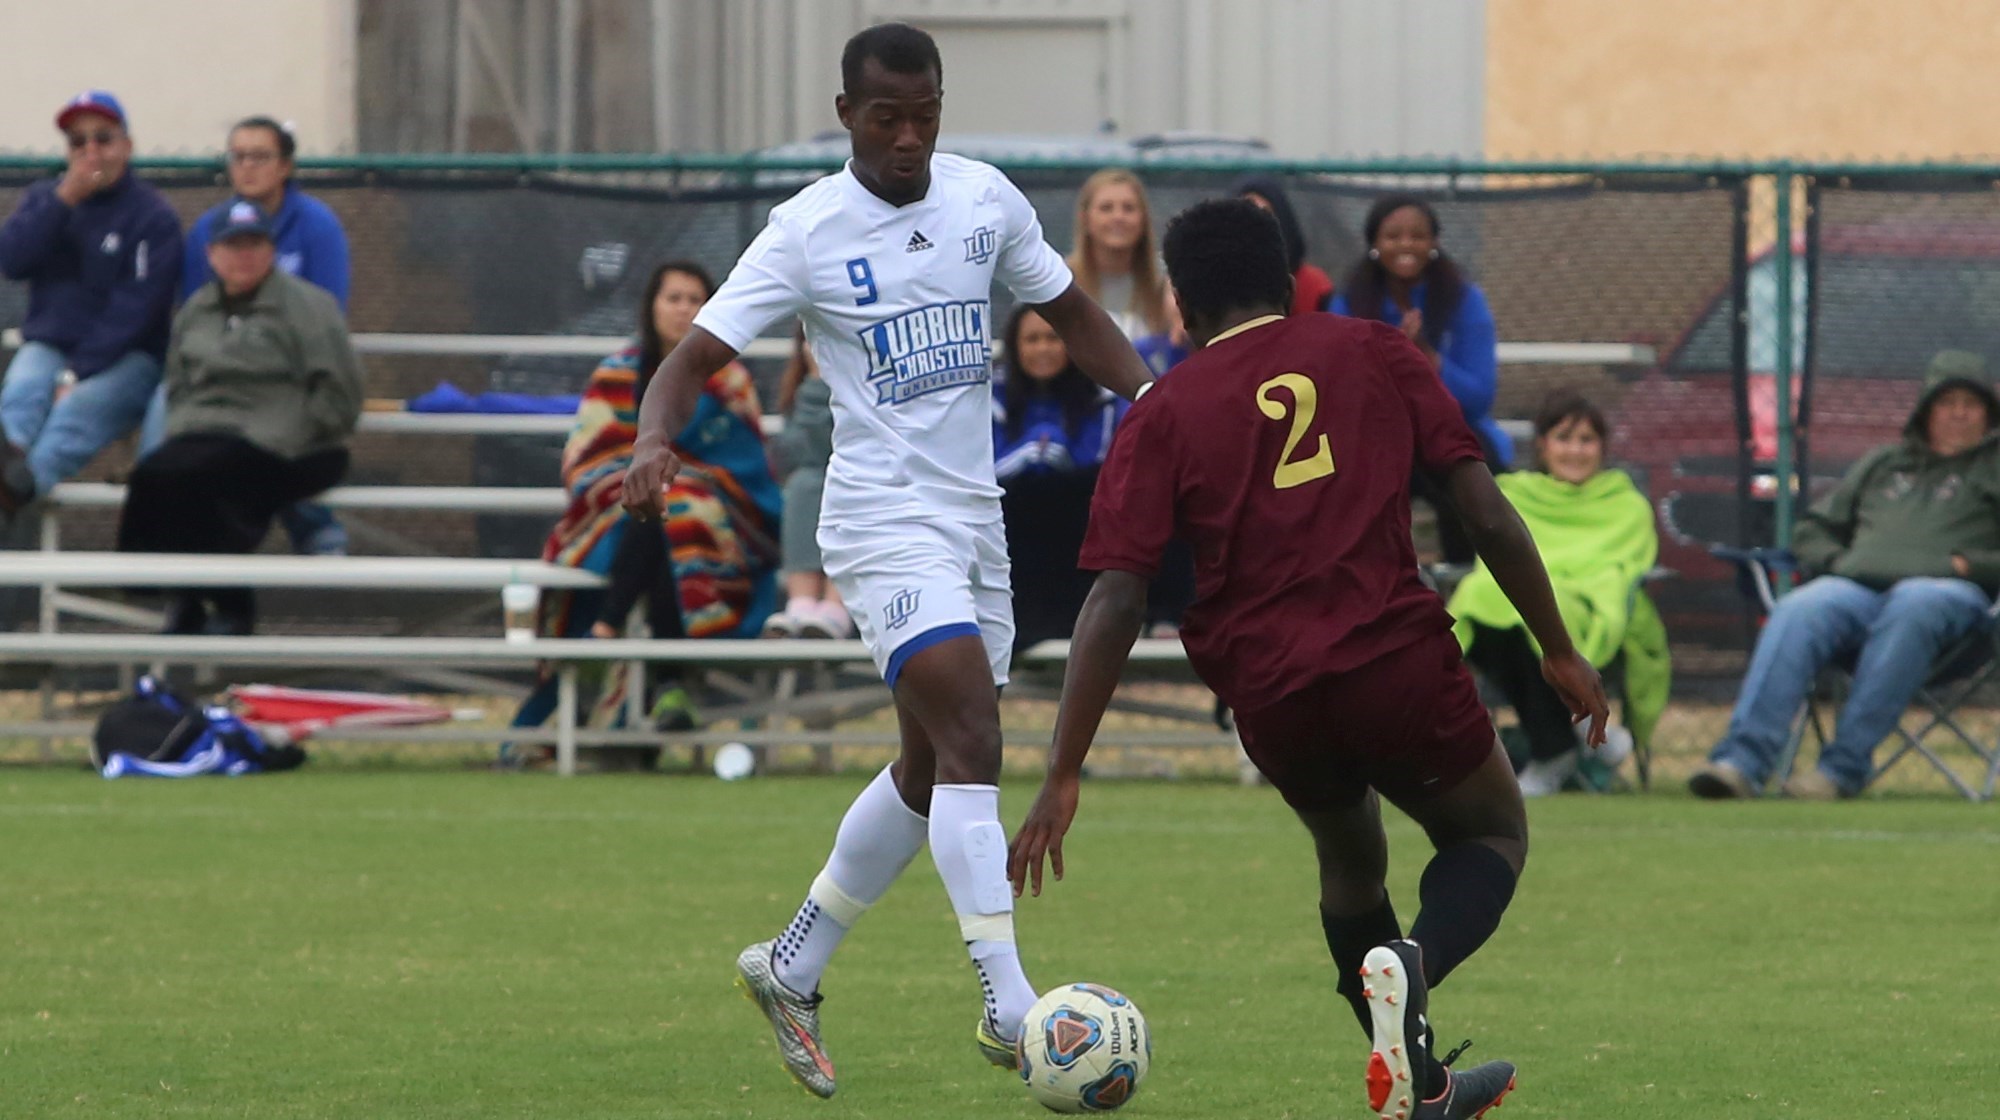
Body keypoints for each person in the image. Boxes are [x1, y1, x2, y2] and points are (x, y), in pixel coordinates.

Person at [620, 23, 1152, 1098]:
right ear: (846, 116)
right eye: (885, 119)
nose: (908, 138)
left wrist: (1153, 403)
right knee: (971, 731)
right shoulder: (805, 230)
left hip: (971, 517)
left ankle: (791, 963)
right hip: (876, 519)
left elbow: (1069, 310)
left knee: (926, 769)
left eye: (924, 115)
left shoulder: (984, 200)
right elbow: (691, 356)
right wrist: (651, 434)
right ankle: (1008, 1002)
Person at [1008, 199, 1608, 1120]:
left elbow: (1115, 600)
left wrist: (1063, 769)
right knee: (1490, 833)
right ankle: (1411, 967)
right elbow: (1483, 508)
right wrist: (1557, 648)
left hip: (1273, 694)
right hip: (1392, 657)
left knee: (1350, 863)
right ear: (1287, 283)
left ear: (1181, 302)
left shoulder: (1161, 411)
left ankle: (1423, 1085)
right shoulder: (1370, 348)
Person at [1691, 350, 2000, 801]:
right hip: (1858, 592)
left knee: (1915, 600)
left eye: (1970, 404)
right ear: (1925, 410)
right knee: (1804, 606)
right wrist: (1839, 563)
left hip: (1955, 611)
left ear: (1987, 415)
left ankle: (1840, 771)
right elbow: (1813, 530)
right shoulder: (1884, 464)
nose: (1958, 413)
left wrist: (1970, 565)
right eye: (1946, 402)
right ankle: (1741, 763)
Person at [532, 260, 781, 736]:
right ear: (651, 306)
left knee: (671, 506)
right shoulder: (617, 374)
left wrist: (675, 482)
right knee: (655, 502)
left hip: (715, 519)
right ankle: (670, 683)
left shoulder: (730, 382)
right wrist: (641, 480)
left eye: (695, 300)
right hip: (622, 513)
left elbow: (748, 468)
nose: (684, 309)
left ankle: (606, 629)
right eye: (673, 298)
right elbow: (588, 456)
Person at [116, 201, 360, 634]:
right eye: (232, 245)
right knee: (156, 473)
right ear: (212, 255)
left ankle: (229, 606)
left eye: (254, 244)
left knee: (202, 480)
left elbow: (340, 389)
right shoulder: (198, 310)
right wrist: (187, 422)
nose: (243, 255)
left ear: (270, 250)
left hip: (287, 441)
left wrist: (301, 431)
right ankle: (178, 594)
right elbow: (180, 381)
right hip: (205, 432)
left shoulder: (308, 307)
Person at [1450, 391, 1668, 795]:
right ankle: (1572, 734)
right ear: (1542, 445)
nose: (1575, 450)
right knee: (1482, 597)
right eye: (1564, 438)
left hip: (1589, 602)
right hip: (1516, 603)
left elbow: (1622, 566)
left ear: (1602, 448)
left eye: (1586, 440)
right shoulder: (1512, 493)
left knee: (1547, 611)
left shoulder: (1625, 503)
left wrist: (1570, 584)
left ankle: (1555, 750)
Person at [165, 116, 353, 556]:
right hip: (219, 381)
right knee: (170, 434)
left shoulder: (318, 227)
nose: (247, 166)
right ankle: (183, 575)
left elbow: (327, 322)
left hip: (290, 376)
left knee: (277, 428)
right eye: (238, 156)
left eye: (260, 156)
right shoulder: (207, 232)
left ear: (285, 166)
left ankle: (315, 529)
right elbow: (197, 322)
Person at [0, 91, 182, 522]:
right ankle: (10, 492)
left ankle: (10, 502)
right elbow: (12, 259)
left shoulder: (152, 215)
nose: (91, 151)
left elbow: (137, 310)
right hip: (51, 347)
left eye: (103, 138)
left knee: (71, 416)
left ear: (127, 146)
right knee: (19, 398)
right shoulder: (48, 199)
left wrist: (77, 371)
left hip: (128, 359)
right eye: (78, 142)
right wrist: (65, 200)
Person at [1332, 195, 1506, 564]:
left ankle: (1468, 584)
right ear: (1375, 244)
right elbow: (1340, 387)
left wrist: (1428, 359)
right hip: (1378, 434)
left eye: (1418, 235)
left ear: (1435, 243)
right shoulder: (1350, 302)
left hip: (1452, 432)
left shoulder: (1464, 299)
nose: (1406, 245)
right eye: (1393, 236)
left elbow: (1479, 396)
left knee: (1466, 485)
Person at [993, 305, 1126, 650]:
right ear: (1014, 345)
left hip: (1079, 531)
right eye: (1032, 339)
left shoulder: (1103, 397)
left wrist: (1056, 455)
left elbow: (1107, 467)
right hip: (1009, 536)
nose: (1043, 349)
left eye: (1053, 338)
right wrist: (1028, 455)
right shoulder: (989, 395)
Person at [762, 325, 852, 639]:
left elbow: (837, 448)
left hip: (862, 482)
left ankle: (835, 604)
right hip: (811, 486)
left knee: (839, 481)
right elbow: (800, 454)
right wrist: (814, 384)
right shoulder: (799, 391)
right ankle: (801, 602)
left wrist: (819, 384)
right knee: (805, 482)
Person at [1067, 169, 1171, 341]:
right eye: (1106, 208)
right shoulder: (1059, 281)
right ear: (1085, 218)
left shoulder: (1168, 282)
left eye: (1129, 208)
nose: (1118, 217)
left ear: (1143, 218)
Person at [1236, 175, 1335, 315]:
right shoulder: (1216, 290)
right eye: (1244, 216)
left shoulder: (1313, 286)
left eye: (1265, 215)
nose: (1254, 226)